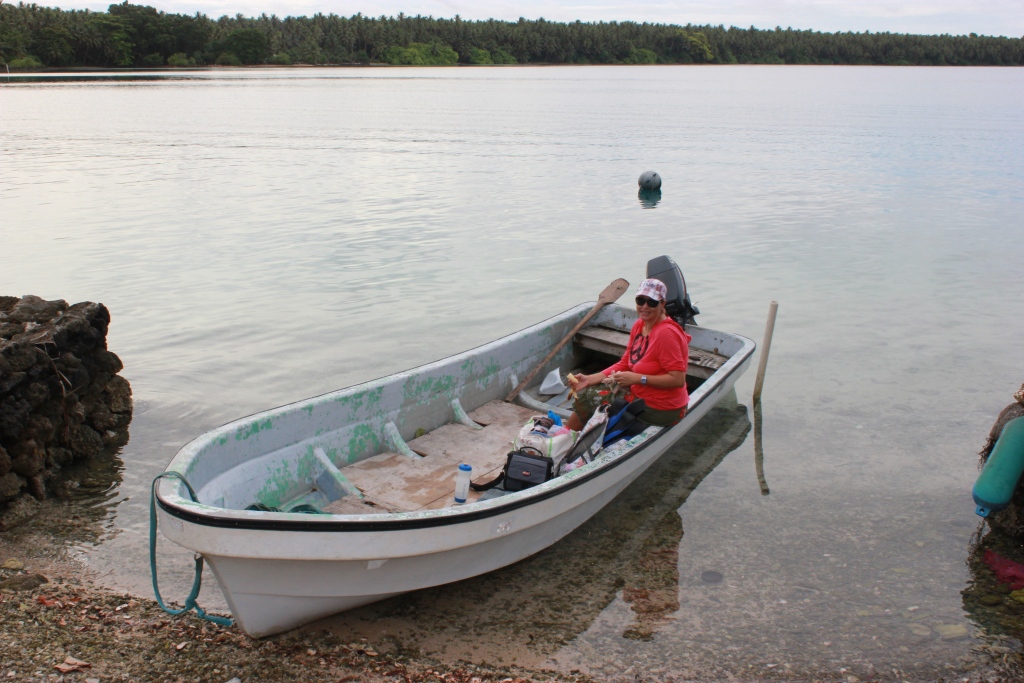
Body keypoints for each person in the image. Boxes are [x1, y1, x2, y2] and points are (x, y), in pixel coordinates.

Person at [567, 278, 690, 431]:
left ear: (662, 304)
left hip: (661, 407)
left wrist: (639, 379)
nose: (644, 306)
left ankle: (566, 436)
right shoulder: (640, 325)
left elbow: (678, 379)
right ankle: (576, 434)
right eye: (640, 301)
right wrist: (589, 379)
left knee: (590, 396)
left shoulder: (665, 334)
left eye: (651, 302)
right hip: (641, 394)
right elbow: (626, 362)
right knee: (593, 388)